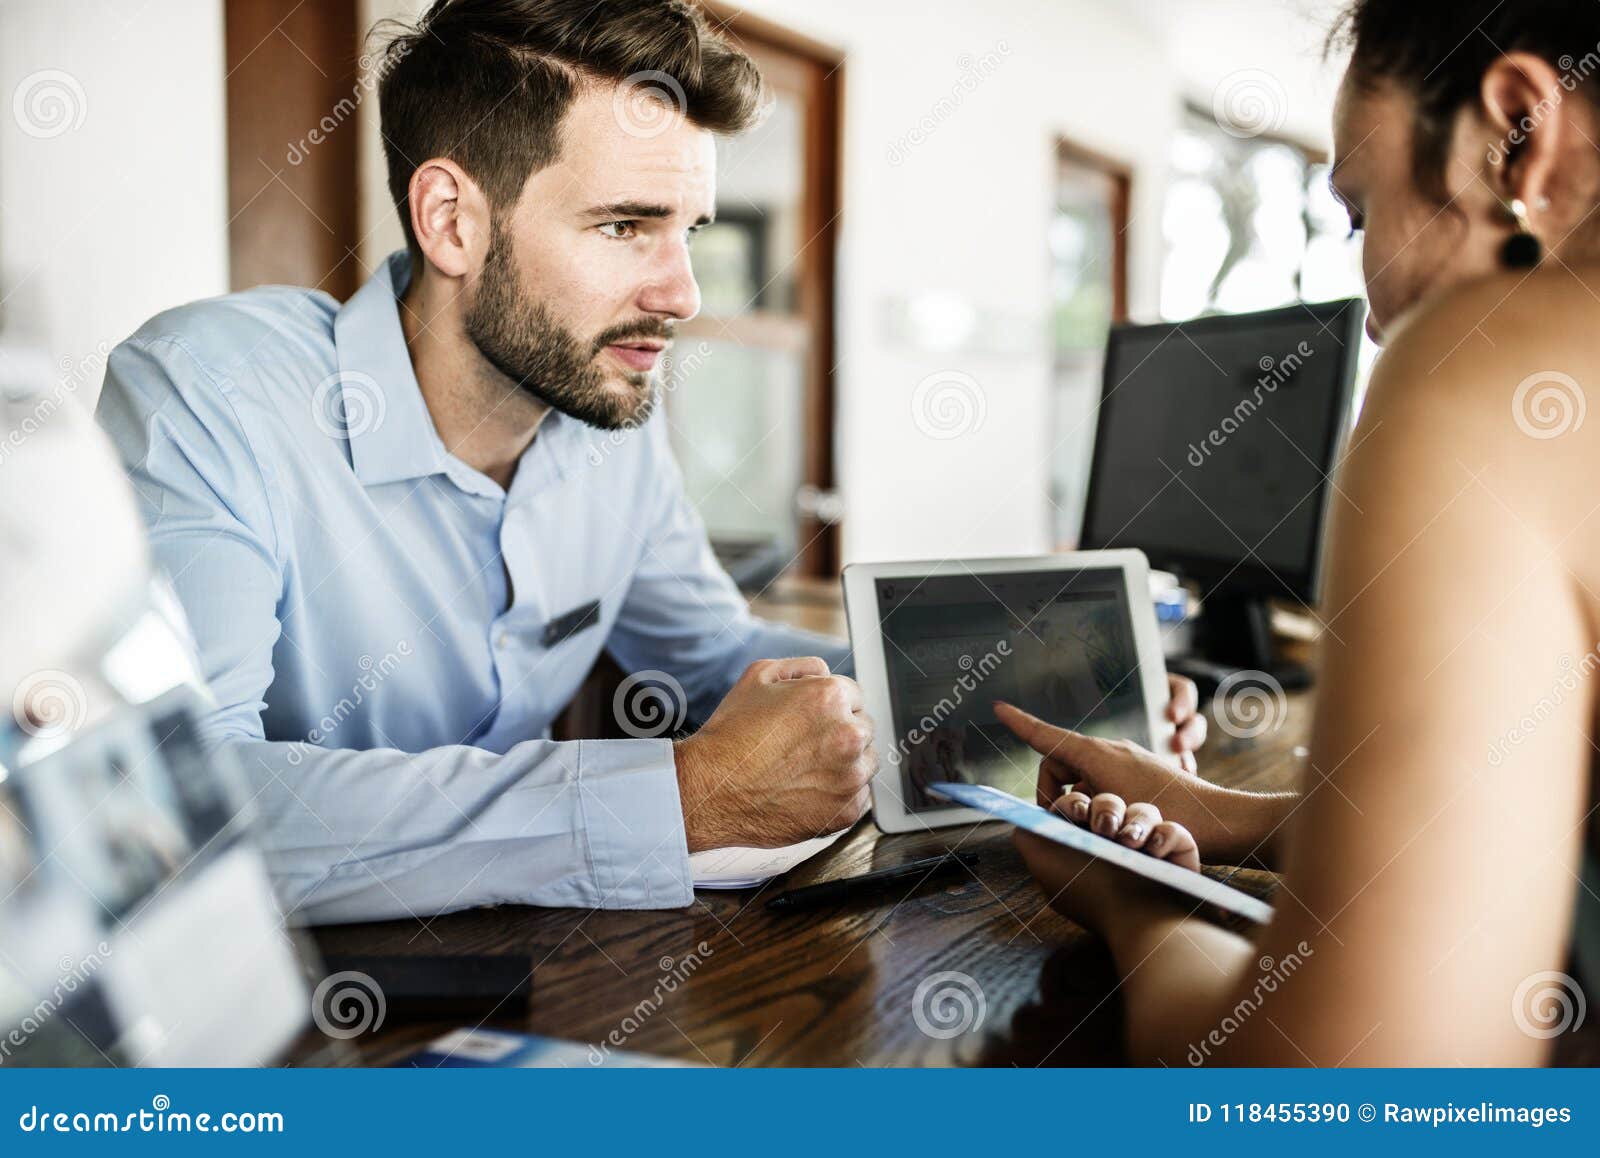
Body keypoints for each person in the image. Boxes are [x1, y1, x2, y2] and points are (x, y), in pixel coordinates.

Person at [90, 0, 1210, 926]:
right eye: (626, 227)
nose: (683, 295)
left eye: (688, 231)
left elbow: (712, 651)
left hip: (511, 991)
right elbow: (176, 813)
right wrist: (683, 798)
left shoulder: (600, 412)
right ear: (450, 220)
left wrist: (1037, 691)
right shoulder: (209, 394)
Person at [1000, 0, 1600, 1064]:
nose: (1369, 315)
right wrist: (1214, 813)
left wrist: (1140, 902)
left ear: (1517, 133)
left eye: (1362, 216)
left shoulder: (1490, 368)